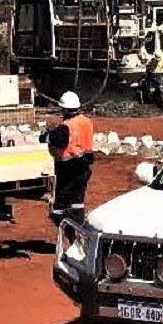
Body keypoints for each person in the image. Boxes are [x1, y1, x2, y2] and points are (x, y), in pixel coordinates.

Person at [43, 91, 94, 225]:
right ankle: (77, 232)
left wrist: (46, 136)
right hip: (83, 169)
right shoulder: (86, 122)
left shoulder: (66, 126)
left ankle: (69, 233)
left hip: (67, 171)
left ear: (64, 109)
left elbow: (58, 141)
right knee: (77, 204)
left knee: (60, 207)